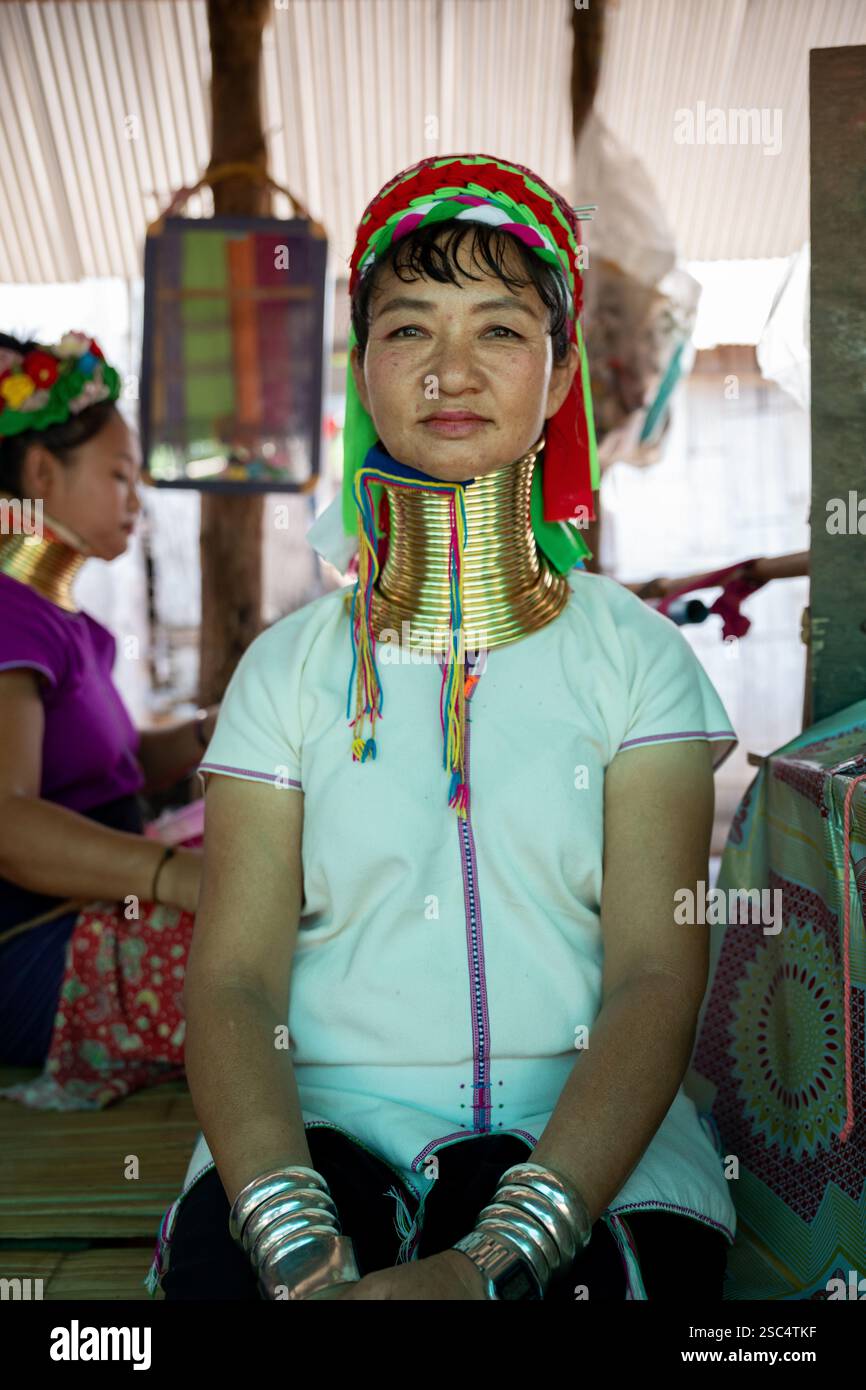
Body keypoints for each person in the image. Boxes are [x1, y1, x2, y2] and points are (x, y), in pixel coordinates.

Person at [149, 154, 738, 1302]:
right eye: (408, 329)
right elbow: (231, 984)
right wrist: (286, 1233)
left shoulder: (637, 663)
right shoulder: (287, 672)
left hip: (583, 1128)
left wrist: (493, 1260)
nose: (451, 369)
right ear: (363, 368)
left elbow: (656, 973)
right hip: (314, 1119)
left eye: (501, 331)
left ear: (560, 372)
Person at [0, 330, 214, 1108]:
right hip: (35, 948)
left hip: (96, 907)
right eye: (120, 476)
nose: (136, 499)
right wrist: (175, 878)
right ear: (40, 473)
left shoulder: (55, 618)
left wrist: (204, 735)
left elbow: (114, 766)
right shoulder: (6, 615)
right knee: (277, 940)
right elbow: (8, 822)